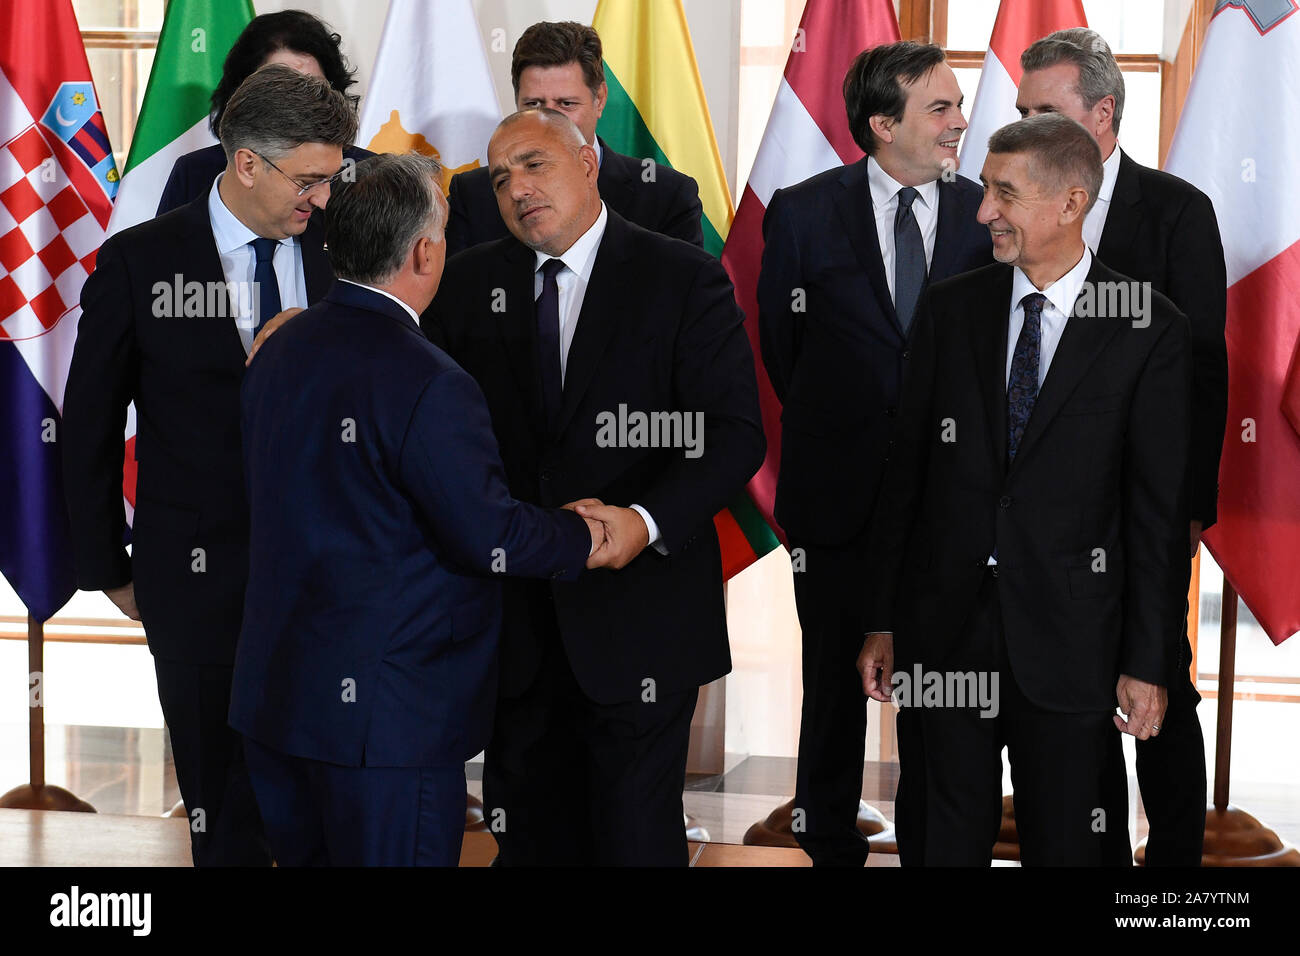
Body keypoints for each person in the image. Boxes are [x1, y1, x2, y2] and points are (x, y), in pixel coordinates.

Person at [231, 153, 615, 867]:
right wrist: (583, 532)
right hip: (387, 724)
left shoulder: (276, 352)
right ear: (426, 251)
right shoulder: (431, 380)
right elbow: (487, 534)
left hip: (276, 703)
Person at [424, 108, 765, 866]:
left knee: (633, 841)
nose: (515, 187)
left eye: (533, 164)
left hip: (642, 618)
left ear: (588, 165)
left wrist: (644, 521)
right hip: (514, 626)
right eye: (500, 175)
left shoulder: (683, 277)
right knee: (528, 841)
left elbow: (733, 433)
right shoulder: (465, 283)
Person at [857, 113, 1191, 866]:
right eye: (983, 191)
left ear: (1071, 204)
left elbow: (1158, 517)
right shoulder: (952, 308)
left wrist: (1148, 662)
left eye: (1004, 195)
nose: (983, 214)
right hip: (945, 636)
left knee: (1073, 848)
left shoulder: (1148, 326)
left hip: (1076, 646)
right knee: (940, 843)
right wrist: (882, 619)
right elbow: (905, 475)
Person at [61, 66, 357, 866]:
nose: (323, 200)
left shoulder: (350, 250)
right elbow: (87, 429)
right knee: (222, 818)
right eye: (309, 180)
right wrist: (108, 568)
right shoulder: (140, 263)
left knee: (328, 816)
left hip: (338, 591)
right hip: (196, 591)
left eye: (332, 179)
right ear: (248, 162)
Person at [757, 41, 992, 867]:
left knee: (933, 702)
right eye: (941, 107)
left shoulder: (984, 213)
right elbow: (784, 350)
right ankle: (826, 848)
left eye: (958, 105)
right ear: (883, 124)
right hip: (835, 504)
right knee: (831, 697)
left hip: (948, 506)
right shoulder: (801, 209)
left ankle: (931, 851)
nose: (961, 121)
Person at [1017, 28, 1227, 867]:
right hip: (1038, 520)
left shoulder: (1176, 213)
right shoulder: (1012, 210)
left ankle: (1173, 870)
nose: (1026, 125)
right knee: (1071, 702)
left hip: (1142, 515)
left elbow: (1205, 377)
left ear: (1103, 115)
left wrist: (1185, 515)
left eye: (1045, 110)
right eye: (1021, 109)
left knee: (1157, 681)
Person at [445, 20, 703, 255]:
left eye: (566, 104)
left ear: (599, 99)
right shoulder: (471, 196)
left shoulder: (667, 196)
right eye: (534, 104)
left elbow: (682, 300)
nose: (548, 119)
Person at [157, 9, 372, 215]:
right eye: (280, 89)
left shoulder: (369, 173)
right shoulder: (195, 171)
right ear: (241, 96)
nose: (300, 104)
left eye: (313, 88)